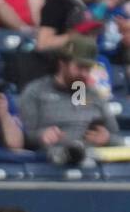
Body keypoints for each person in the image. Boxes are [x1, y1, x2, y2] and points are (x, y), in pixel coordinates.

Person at [18, 35, 119, 164]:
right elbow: (22, 137)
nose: (84, 74)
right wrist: (41, 136)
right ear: (62, 64)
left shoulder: (93, 94)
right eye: (79, 67)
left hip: (91, 158)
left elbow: (119, 139)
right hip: (51, 162)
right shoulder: (36, 91)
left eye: (88, 69)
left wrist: (107, 138)